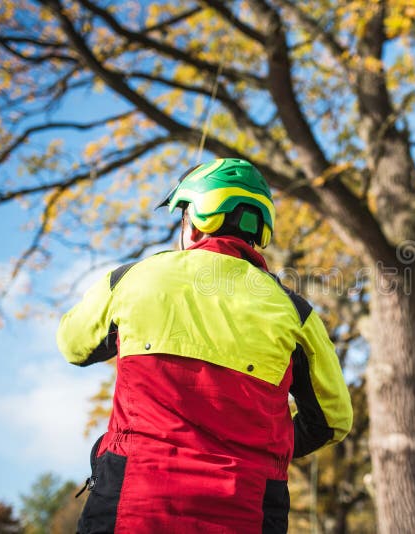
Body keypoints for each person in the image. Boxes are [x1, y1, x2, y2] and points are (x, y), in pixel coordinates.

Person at [56, 158, 353, 534]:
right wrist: (260, 448)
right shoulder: (295, 313)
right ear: (258, 229)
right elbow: (333, 420)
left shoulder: (134, 279)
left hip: (132, 507)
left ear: (195, 221)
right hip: (249, 512)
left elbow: (73, 344)